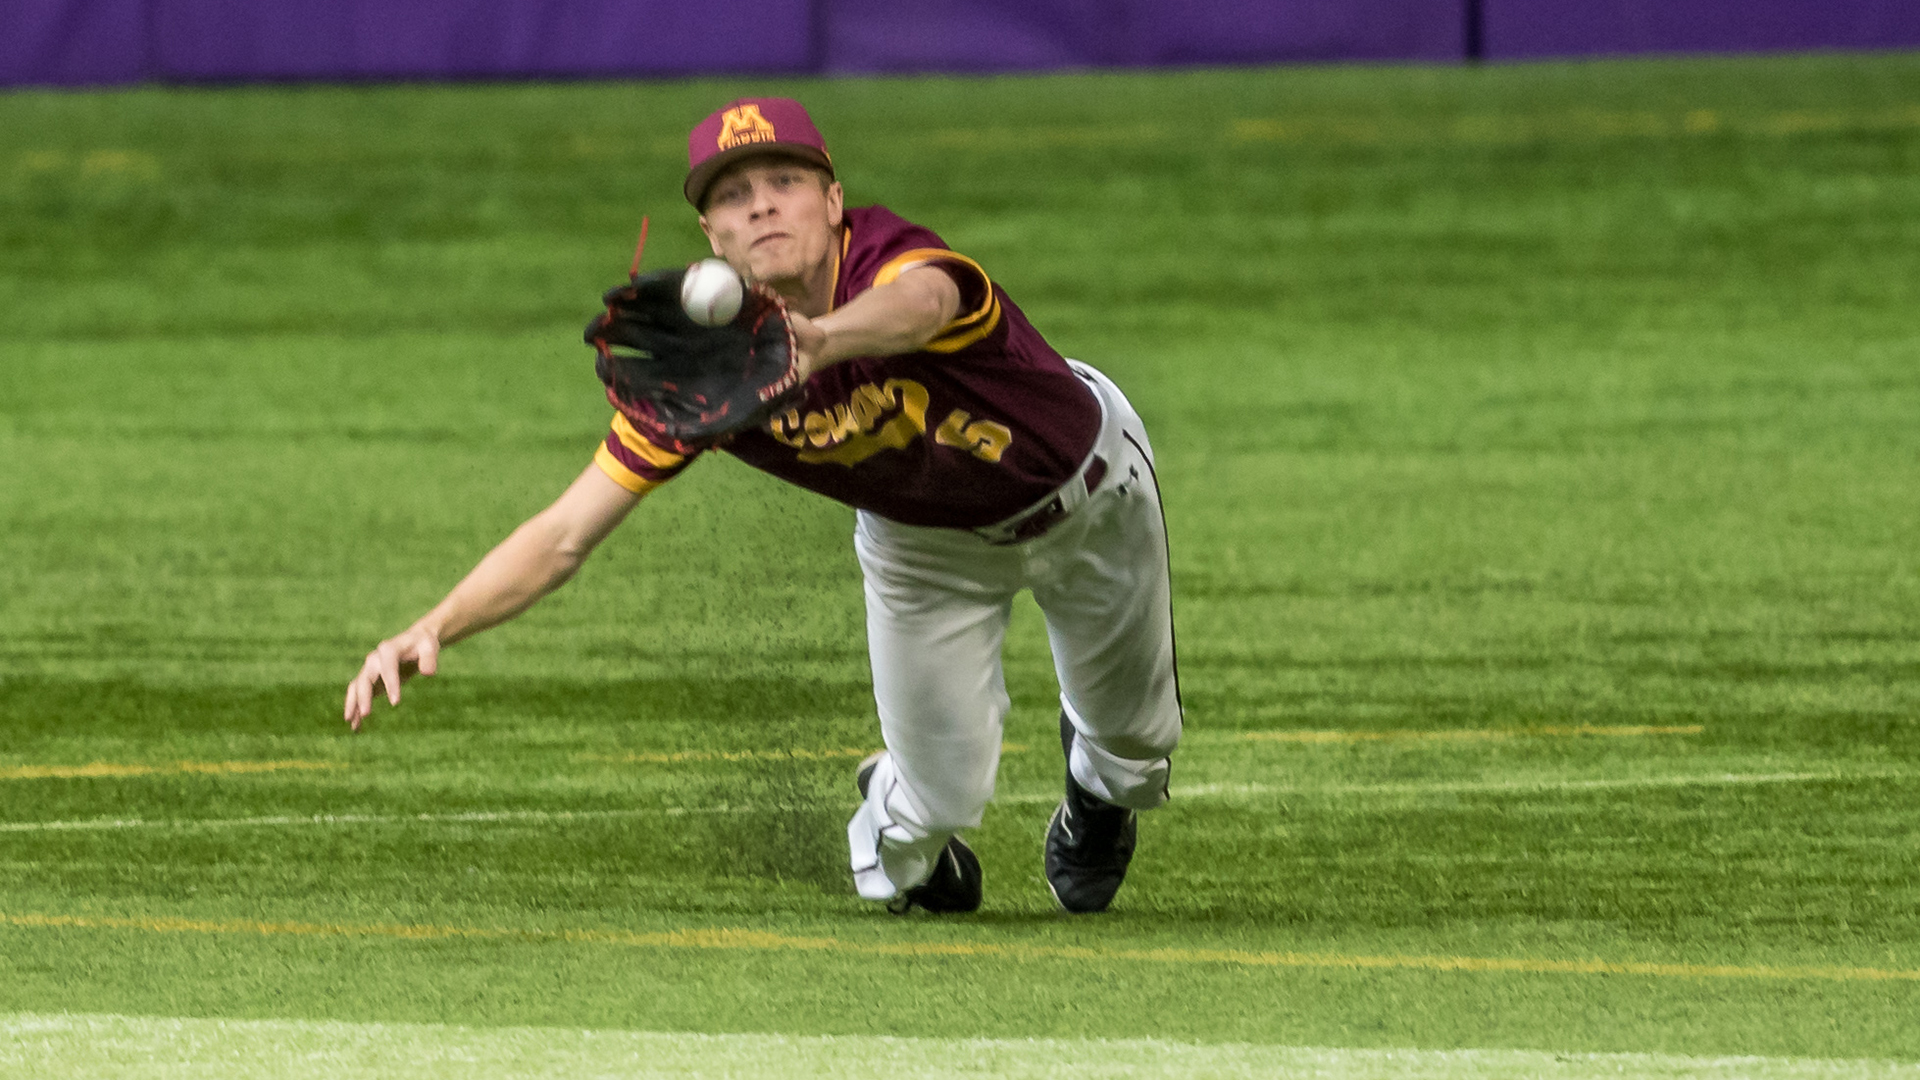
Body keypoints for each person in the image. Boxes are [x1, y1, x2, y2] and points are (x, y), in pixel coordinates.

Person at [343, 98, 1181, 915]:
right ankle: (907, 836)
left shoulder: (891, 259)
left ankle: (1097, 794)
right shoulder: (708, 375)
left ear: (833, 201)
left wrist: (821, 340)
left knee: (1138, 746)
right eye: (734, 196)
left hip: (1089, 494)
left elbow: (926, 304)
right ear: (712, 236)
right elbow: (564, 535)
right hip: (925, 551)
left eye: (785, 179)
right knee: (929, 811)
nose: (763, 204)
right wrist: (435, 624)